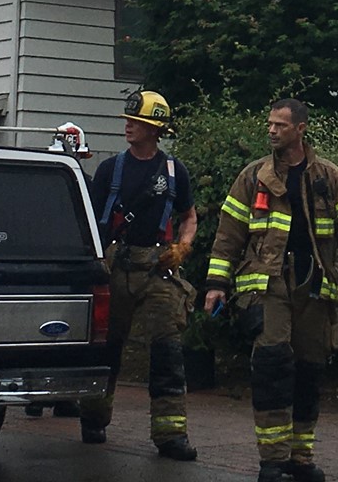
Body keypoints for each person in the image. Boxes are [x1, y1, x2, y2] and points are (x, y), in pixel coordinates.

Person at [203, 98, 338, 482]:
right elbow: (228, 235)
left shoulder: (329, 177)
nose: (272, 130)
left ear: (300, 129)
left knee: (311, 369)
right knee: (272, 364)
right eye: (269, 124)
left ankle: (300, 457)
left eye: (280, 125)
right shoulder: (253, 177)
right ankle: (273, 461)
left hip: (315, 285)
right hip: (268, 284)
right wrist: (216, 284)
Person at [76, 89, 200, 460]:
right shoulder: (109, 169)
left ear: (154, 129)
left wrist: (183, 245)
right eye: (129, 121)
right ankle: (94, 417)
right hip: (115, 267)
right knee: (107, 348)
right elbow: (90, 222)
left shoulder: (174, 172)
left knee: (167, 351)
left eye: (138, 122)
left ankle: (170, 436)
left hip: (158, 270)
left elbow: (189, 216)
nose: (128, 126)